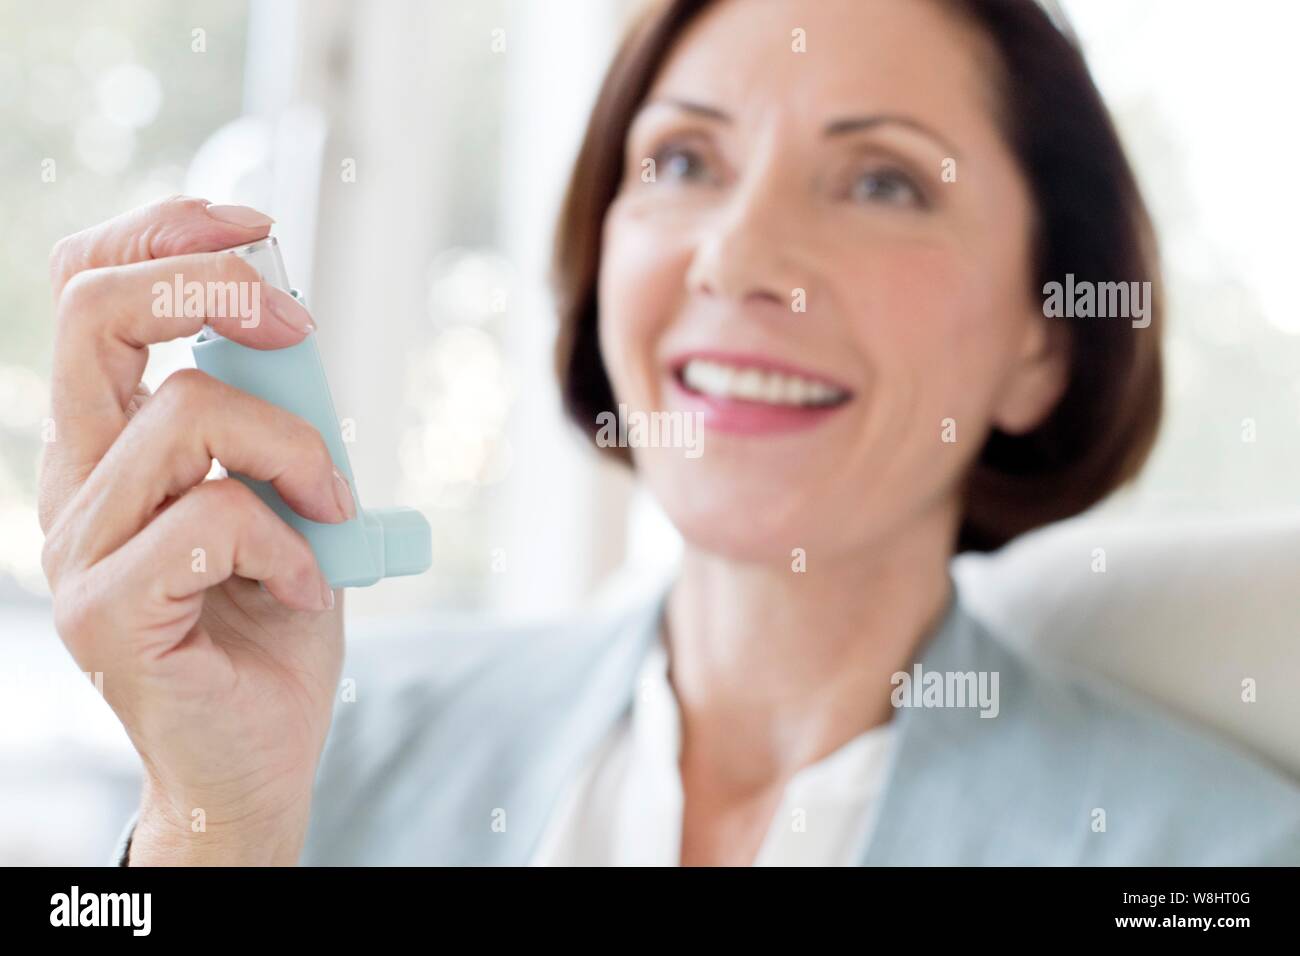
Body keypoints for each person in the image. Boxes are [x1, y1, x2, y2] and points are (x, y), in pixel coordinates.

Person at [40, 0, 1299, 867]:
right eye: (685, 161)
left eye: (881, 181)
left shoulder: (1210, 856)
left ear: (1045, 341)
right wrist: (212, 826)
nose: (739, 255)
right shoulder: (327, 744)